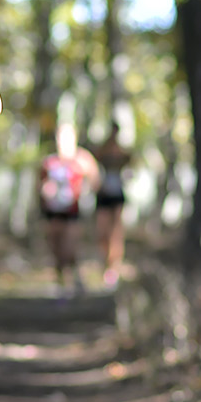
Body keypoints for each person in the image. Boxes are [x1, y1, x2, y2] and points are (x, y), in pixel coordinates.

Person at [38, 118, 98, 296]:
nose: (61, 142)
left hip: (73, 211)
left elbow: (95, 181)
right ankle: (62, 284)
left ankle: (76, 280)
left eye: (66, 137)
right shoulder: (49, 162)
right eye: (59, 137)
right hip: (53, 211)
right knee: (56, 249)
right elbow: (40, 184)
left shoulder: (83, 159)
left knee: (69, 248)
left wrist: (86, 192)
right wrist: (44, 191)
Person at [91, 128, 131, 289]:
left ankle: (114, 266)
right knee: (102, 231)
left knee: (116, 232)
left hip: (117, 195)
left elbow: (130, 163)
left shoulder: (122, 153)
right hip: (103, 195)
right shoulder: (103, 151)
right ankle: (105, 260)